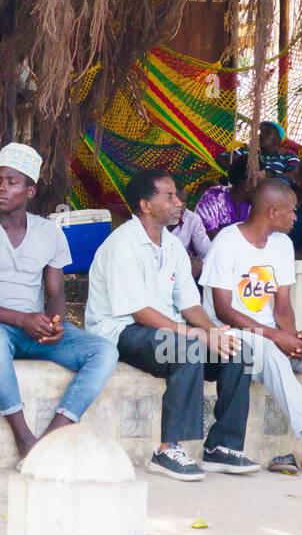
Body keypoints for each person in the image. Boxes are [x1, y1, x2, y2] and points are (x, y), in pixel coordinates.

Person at [85, 168, 260, 481]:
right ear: (145, 205)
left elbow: (190, 304)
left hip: (165, 330)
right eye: (169, 196)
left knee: (239, 351)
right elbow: (140, 312)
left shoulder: (172, 245)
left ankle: (222, 446)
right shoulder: (122, 244)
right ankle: (167, 450)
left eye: (177, 196)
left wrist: (214, 332)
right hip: (123, 331)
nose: (179, 202)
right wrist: (197, 336)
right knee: (187, 349)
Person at [0, 143, 117, 464]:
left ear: (30, 191)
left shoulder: (49, 233)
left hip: (31, 329)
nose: (1, 187)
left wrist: (53, 323)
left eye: (12, 182)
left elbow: (55, 293)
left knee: (104, 351)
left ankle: (52, 438)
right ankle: (24, 438)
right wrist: (23, 319)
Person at [202, 178, 302, 474]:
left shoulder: (282, 244)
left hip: (269, 333)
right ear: (272, 212)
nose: (296, 217)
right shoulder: (227, 241)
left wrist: (292, 338)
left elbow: (282, 305)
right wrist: (276, 337)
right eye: (292, 211)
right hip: (231, 335)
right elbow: (223, 309)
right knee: (272, 354)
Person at [195, 155, 264, 239]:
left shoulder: (257, 206)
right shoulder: (214, 197)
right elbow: (212, 239)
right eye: (261, 184)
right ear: (247, 185)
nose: (265, 189)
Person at [168, 199, 211, 279]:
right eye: (174, 202)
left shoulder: (192, 219)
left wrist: (198, 266)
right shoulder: (153, 221)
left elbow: (207, 252)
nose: (180, 207)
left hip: (183, 271)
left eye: (183, 203)